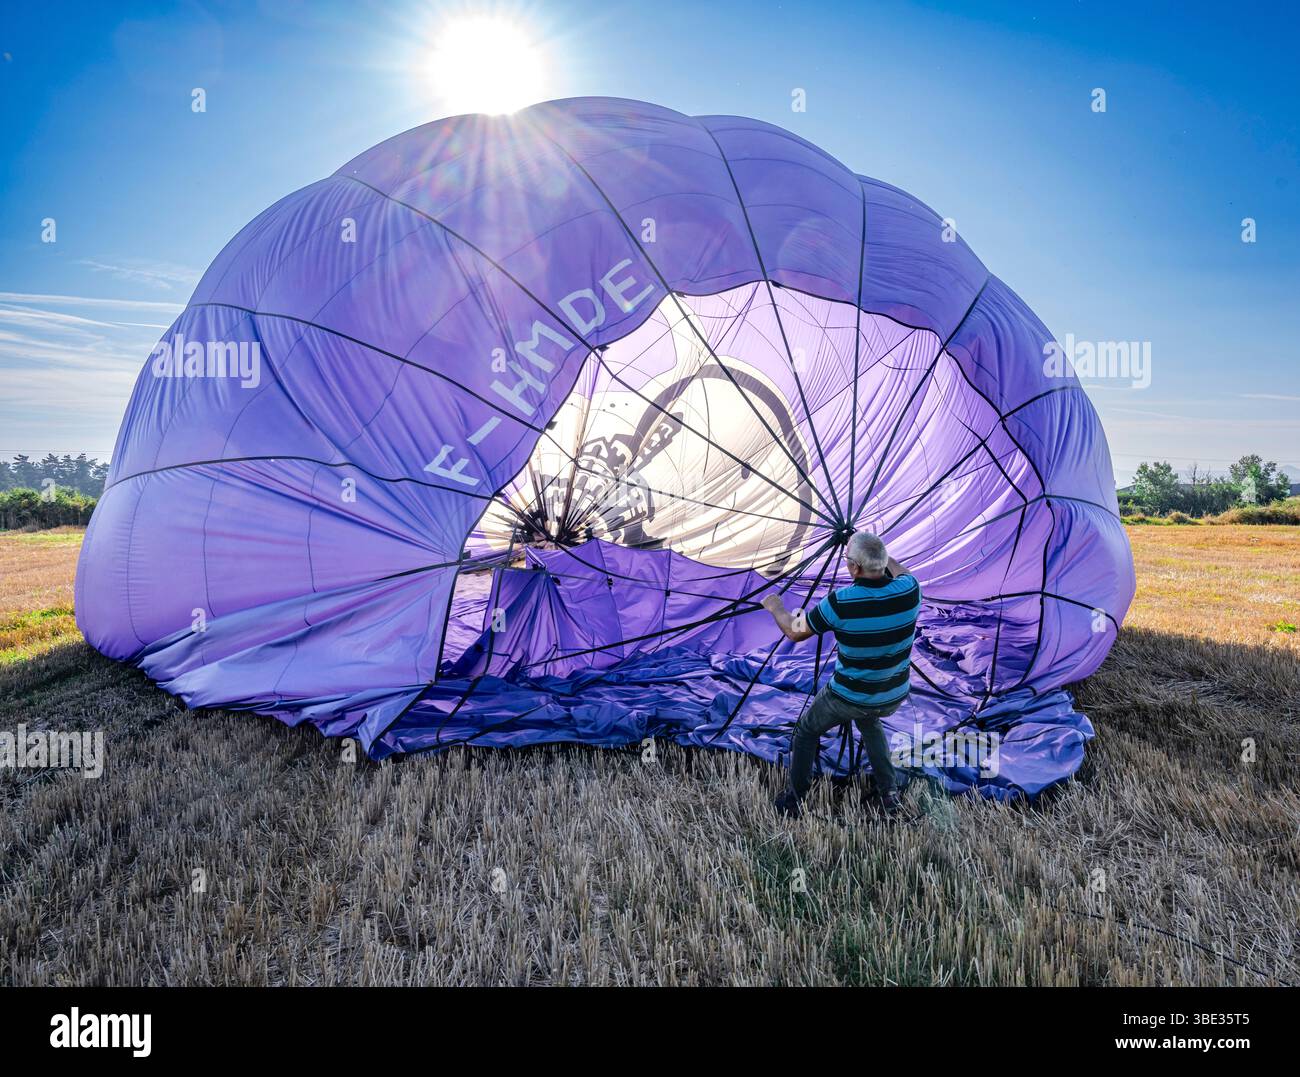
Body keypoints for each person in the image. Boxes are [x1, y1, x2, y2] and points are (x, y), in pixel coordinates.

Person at [760, 532, 920, 818]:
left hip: (849, 695)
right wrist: (878, 556)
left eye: (849, 560)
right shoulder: (910, 589)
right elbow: (900, 570)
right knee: (869, 721)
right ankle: (890, 793)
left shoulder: (840, 602)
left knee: (806, 731)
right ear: (882, 563)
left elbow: (795, 631)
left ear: (854, 568)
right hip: (892, 693)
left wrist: (776, 608)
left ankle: (794, 798)